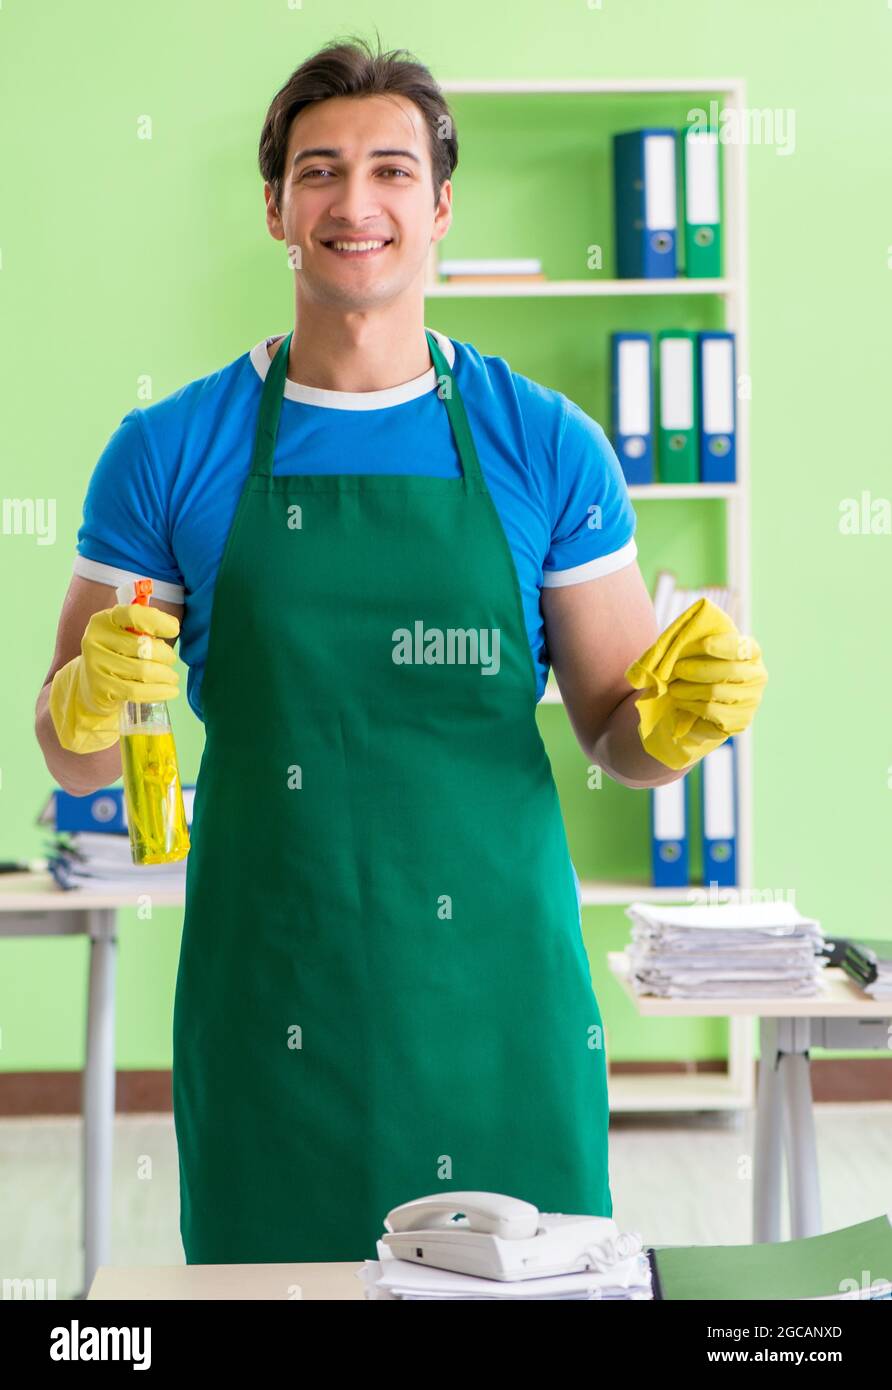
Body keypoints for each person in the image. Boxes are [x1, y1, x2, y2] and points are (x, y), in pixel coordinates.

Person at [35, 36, 767, 1263]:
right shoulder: (166, 450)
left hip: (499, 996)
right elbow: (71, 762)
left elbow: (615, 735)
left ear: (438, 207)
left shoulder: (546, 444)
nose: (353, 203)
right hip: (274, 986)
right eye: (318, 172)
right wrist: (90, 698)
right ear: (274, 207)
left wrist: (677, 723)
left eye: (389, 170)